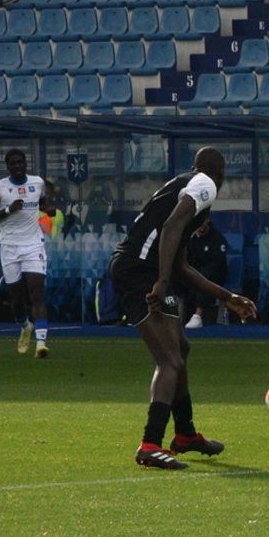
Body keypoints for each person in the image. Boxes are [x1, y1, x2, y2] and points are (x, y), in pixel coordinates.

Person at [108, 147, 257, 470]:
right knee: (169, 360)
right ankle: (150, 444)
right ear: (221, 174)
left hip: (146, 269)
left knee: (181, 349)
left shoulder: (186, 188)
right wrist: (160, 282)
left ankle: (186, 434)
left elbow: (181, 265)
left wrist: (227, 296)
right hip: (139, 271)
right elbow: (173, 227)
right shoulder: (205, 184)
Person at [0, 150, 54, 358]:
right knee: (16, 298)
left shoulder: (37, 182)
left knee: (37, 291)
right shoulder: (0, 187)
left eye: (20, 162)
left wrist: (47, 209)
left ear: (25, 163)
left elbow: (41, 201)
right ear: (8, 167)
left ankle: (41, 343)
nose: (17, 166)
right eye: (13, 163)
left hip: (33, 245)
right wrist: (7, 211)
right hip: (10, 246)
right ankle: (25, 326)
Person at [181, 215, 229, 328]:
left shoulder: (218, 239)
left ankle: (198, 315)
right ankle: (176, 315)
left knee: (204, 283)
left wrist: (198, 274)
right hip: (197, 274)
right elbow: (188, 260)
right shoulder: (192, 241)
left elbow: (218, 263)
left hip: (216, 275)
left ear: (207, 221)